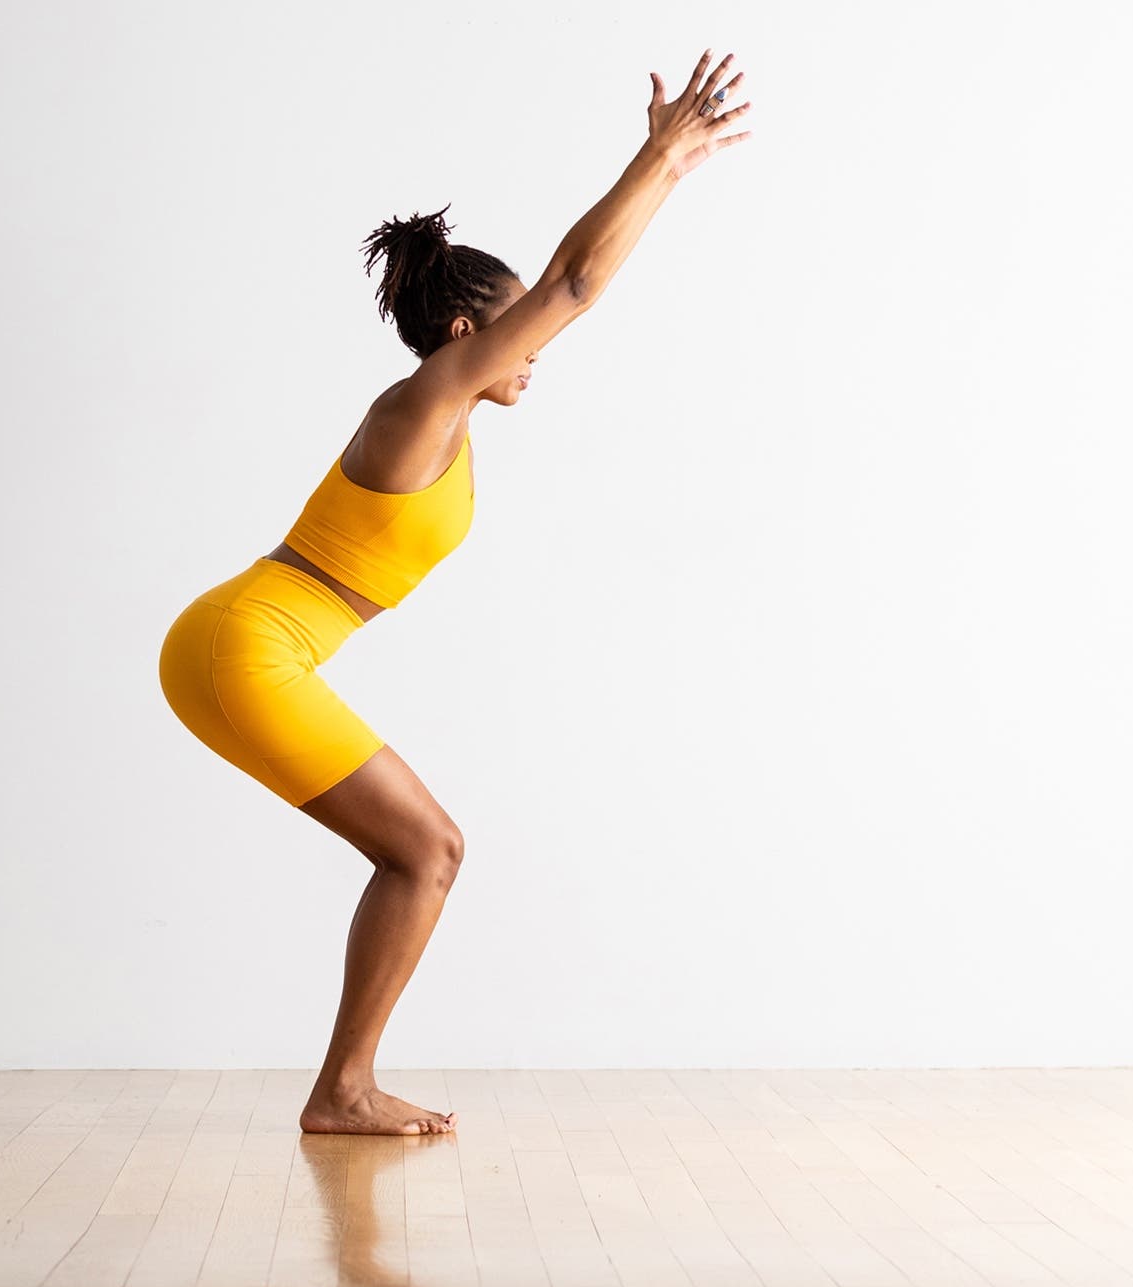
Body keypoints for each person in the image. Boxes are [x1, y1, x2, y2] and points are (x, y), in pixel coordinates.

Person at [158, 50, 753, 1135]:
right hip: (243, 644)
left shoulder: (448, 417)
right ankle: (342, 1091)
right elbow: (577, 281)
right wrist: (656, 156)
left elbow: (570, 281)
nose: (543, 349)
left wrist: (671, 171)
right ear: (470, 335)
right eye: (517, 329)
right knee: (427, 850)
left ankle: (343, 1086)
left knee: (422, 850)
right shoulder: (427, 398)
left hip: (247, 642)